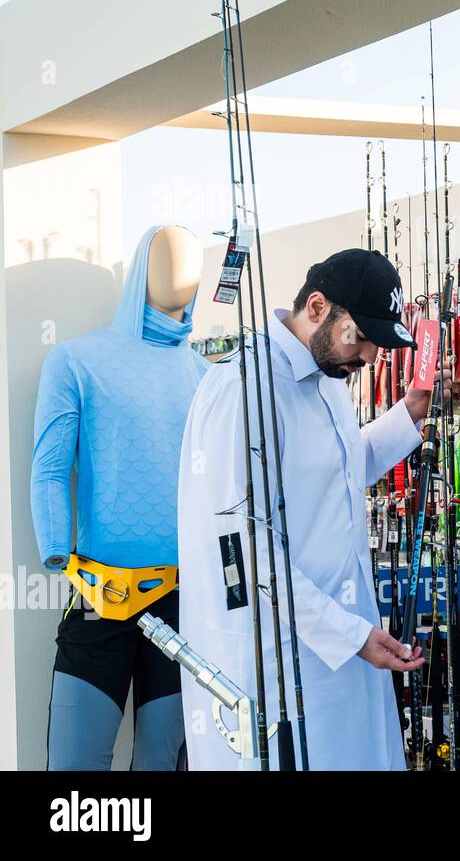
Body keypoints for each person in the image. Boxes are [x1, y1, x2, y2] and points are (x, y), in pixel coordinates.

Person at [177, 248, 429, 770]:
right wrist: (348, 634)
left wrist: (409, 413)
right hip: (279, 666)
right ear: (317, 307)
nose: (368, 359)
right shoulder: (242, 388)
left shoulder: (330, 376)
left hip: (349, 648)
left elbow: (342, 470)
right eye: (361, 338)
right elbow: (244, 546)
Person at [33, 226, 208, 770]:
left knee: (163, 762)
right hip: (99, 592)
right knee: (76, 773)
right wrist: (56, 549)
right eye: (165, 259)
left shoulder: (207, 376)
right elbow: (50, 467)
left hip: (183, 598)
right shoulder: (76, 360)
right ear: (141, 267)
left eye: (190, 262)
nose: (180, 272)